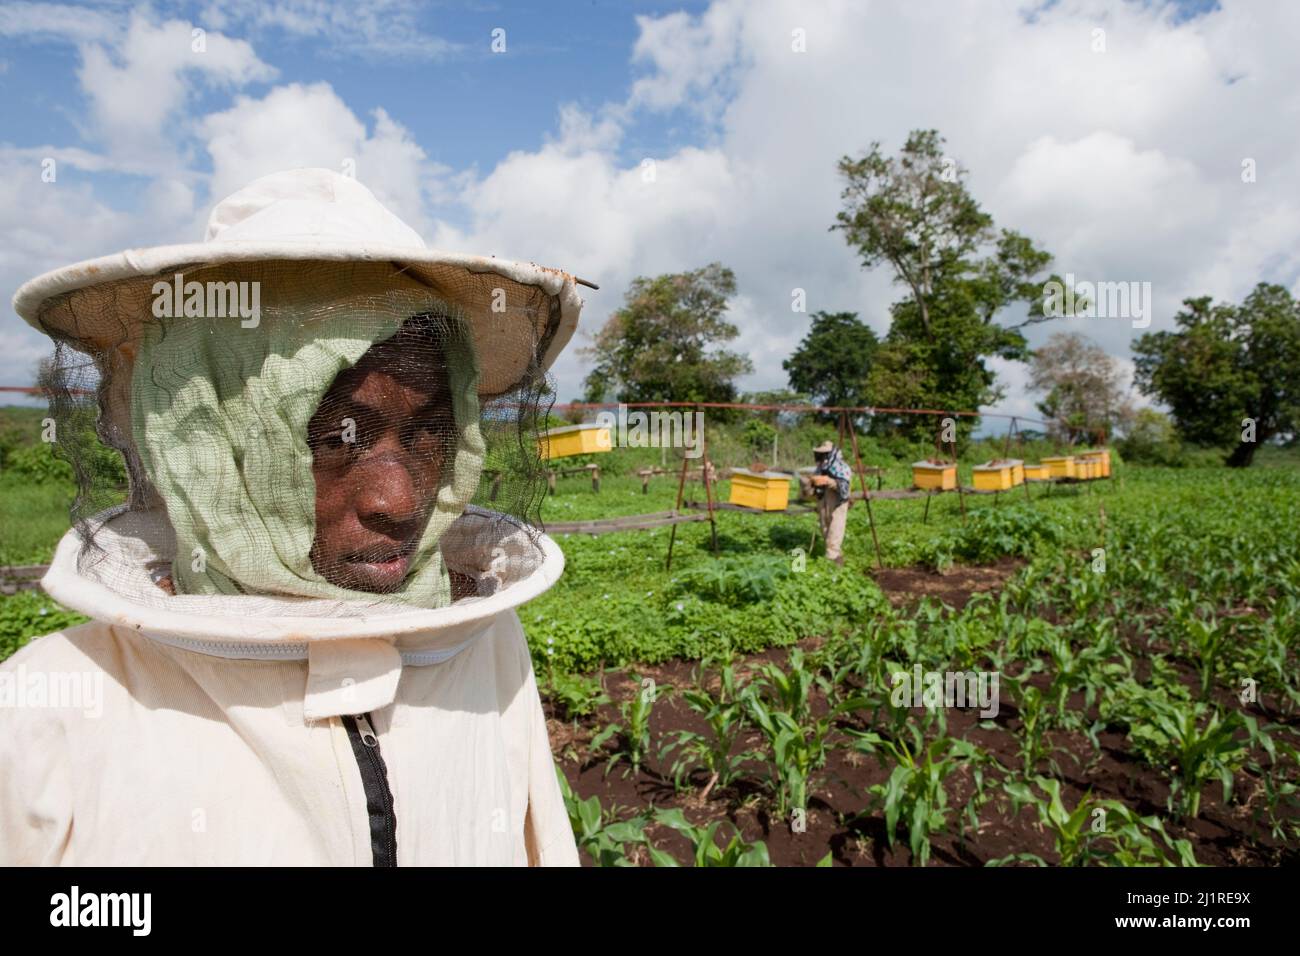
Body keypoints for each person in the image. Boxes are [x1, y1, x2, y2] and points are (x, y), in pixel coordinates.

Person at [0, 168, 586, 865]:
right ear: (210, 444)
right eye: (337, 436)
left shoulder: (485, 642)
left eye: (429, 434)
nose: (398, 501)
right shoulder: (49, 711)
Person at [809, 439, 853, 565]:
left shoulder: (842, 467)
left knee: (835, 530)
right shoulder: (820, 467)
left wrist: (830, 481)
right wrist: (813, 481)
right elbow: (814, 483)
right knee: (825, 529)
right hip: (823, 501)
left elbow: (845, 486)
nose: (822, 456)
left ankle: (830, 563)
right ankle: (837, 558)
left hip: (837, 502)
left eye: (825, 453)